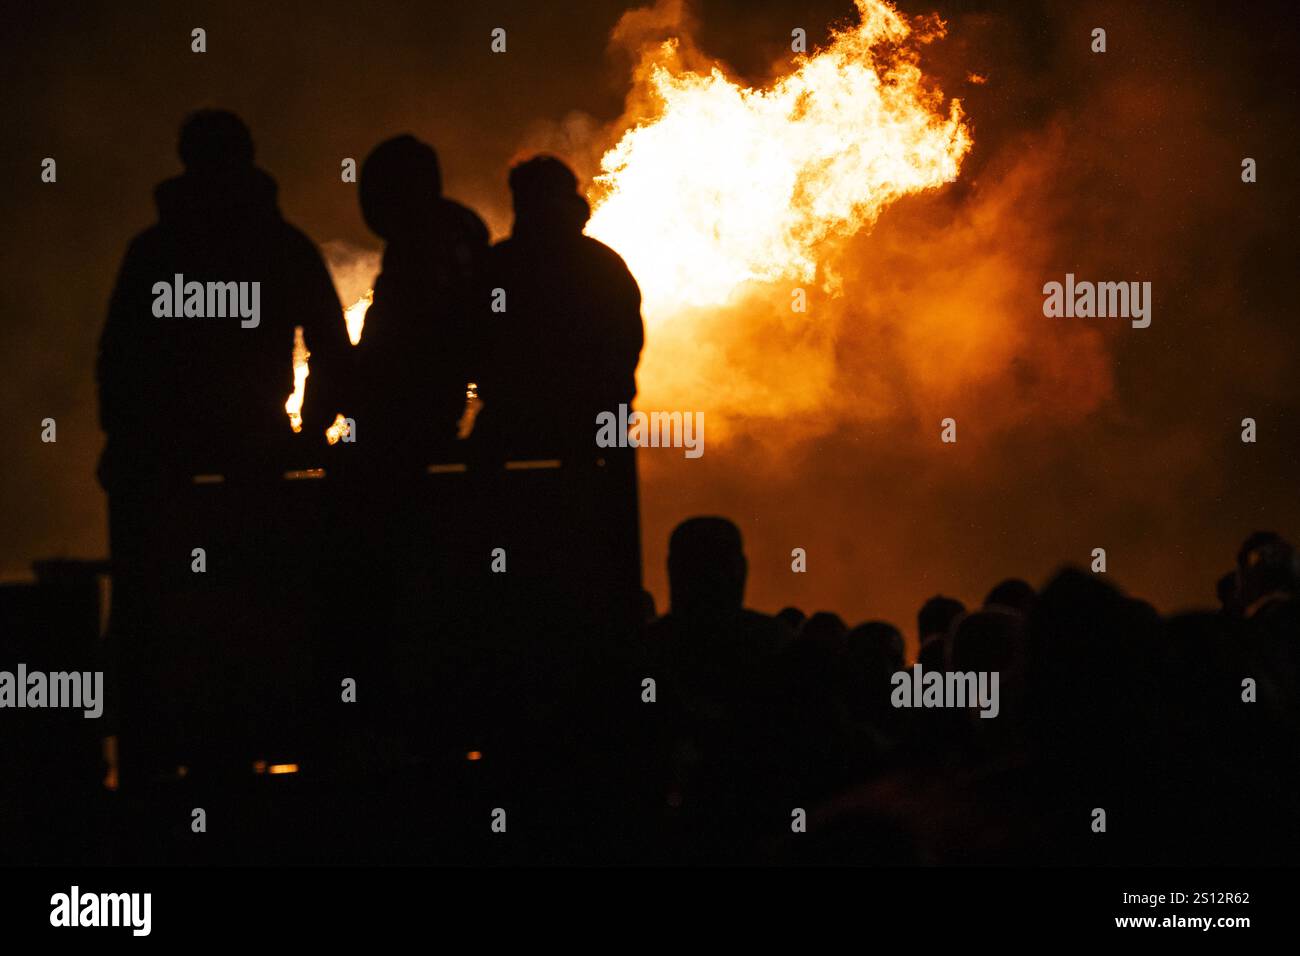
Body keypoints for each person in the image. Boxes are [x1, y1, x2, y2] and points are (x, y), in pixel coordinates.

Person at [476, 155, 643, 458]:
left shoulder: (499, 265)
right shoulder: (605, 265)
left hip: (512, 426)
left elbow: (475, 339)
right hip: (597, 427)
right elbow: (626, 345)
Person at [353, 134, 490, 466]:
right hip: (444, 407)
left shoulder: (419, 244)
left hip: (407, 419)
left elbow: (391, 337)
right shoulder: (462, 232)